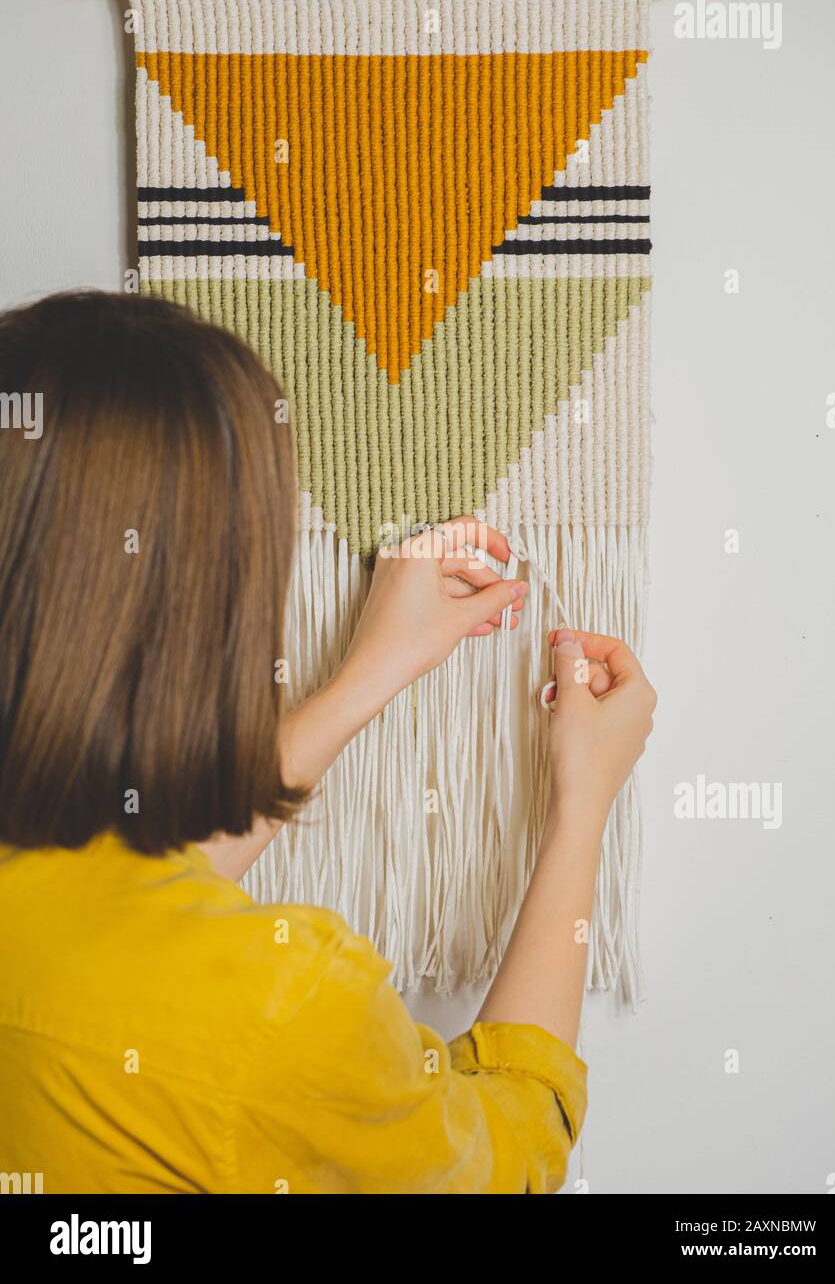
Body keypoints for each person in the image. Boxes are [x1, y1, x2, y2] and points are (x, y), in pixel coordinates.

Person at [0, 291, 656, 1194]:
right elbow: (507, 1157)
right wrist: (583, 804)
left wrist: (362, 680)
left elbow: (119, 902)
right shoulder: (276, 1013)